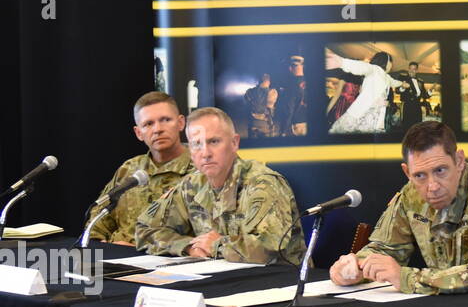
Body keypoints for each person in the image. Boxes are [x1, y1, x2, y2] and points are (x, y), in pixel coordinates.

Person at [329, 121, 468, 295]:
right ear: (407, 172)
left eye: (440, 170)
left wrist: (406, 278)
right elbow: (385, 249)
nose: (432, 186)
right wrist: (355, 267)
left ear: (459, 161)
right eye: (419, 175)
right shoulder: (410, 194)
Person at [136, 107, 304, 264]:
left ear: (234, 143)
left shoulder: (262, 183)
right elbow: (145, 229)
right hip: (221, 275)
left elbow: (267, 248)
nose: (205, 153)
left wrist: (217, 245)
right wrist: (187, 246)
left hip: (281, 279)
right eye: (196, 144)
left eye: (214, 141)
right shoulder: (191, 184)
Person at [85, 92, 195, 246]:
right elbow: (98, 221)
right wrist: (104, 246)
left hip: (170, 256)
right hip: (117, 254)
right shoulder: (129, 169)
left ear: (181, 123)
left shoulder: (201, 168)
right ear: (138, 133)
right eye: (148, 124)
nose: (158, 129)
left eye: (165, 120)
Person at [326, 50, 403, 134]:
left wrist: (403, 84)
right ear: (387, 62)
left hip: (375, 116)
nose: (391, 66)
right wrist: (342, 62)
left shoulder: (387, 77)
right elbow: (361, 67)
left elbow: (395, 82)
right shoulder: (374, 69)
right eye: (391, 63)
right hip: (361, 112)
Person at [399, 60, 428, 129]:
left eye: (414, 69)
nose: (411, 71)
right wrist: (402, 87)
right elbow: (397, 90)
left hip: (417, 107)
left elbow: (424, 95)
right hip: (407, 106)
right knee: (407, 127)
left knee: (417, 126)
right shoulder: (403, 78)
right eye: (410, 69)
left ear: (417, 70)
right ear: (408, 69)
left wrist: (429, 92)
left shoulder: (420, 81)